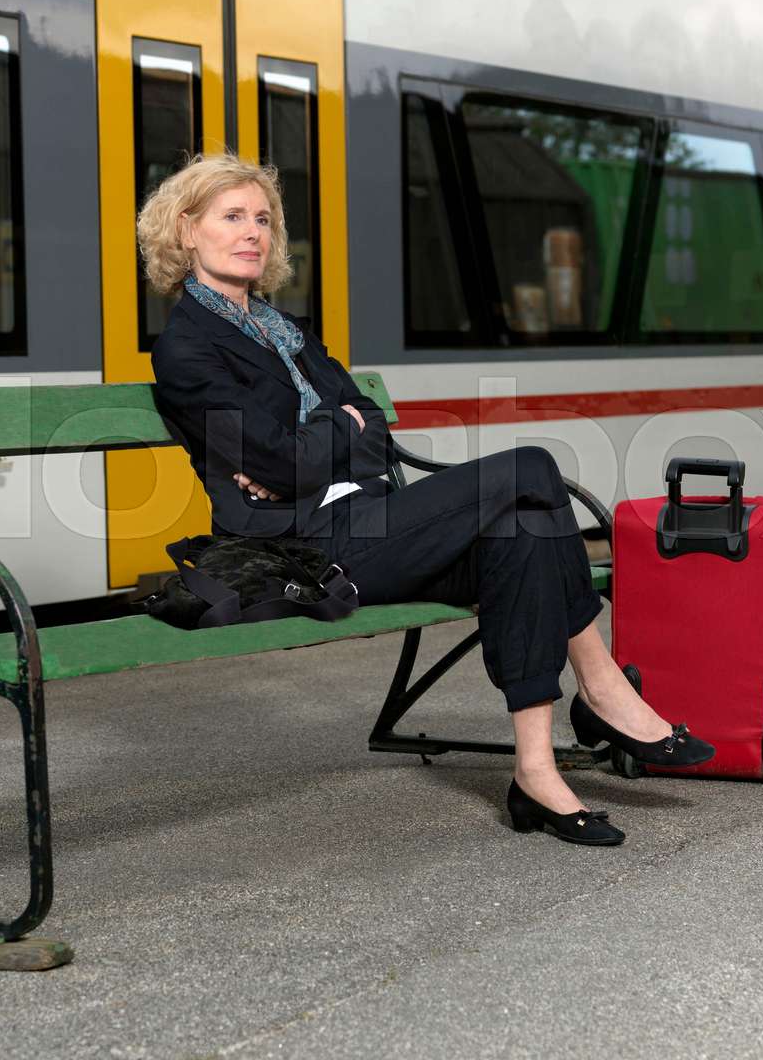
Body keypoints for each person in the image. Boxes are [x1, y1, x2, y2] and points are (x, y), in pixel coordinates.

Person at [142, 153, 713, 847]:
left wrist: (324, 439)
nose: (253, 232)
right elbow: (287, 465)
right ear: (185, 229)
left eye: (262, 218)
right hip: (309, 545)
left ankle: (536, 773)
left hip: (374, 518)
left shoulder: (283, 331)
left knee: (526, 531)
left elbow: (372, 430)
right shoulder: (186, 348)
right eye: (232, 217)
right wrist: (329, 431)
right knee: (532, 467)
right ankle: (602, 686)